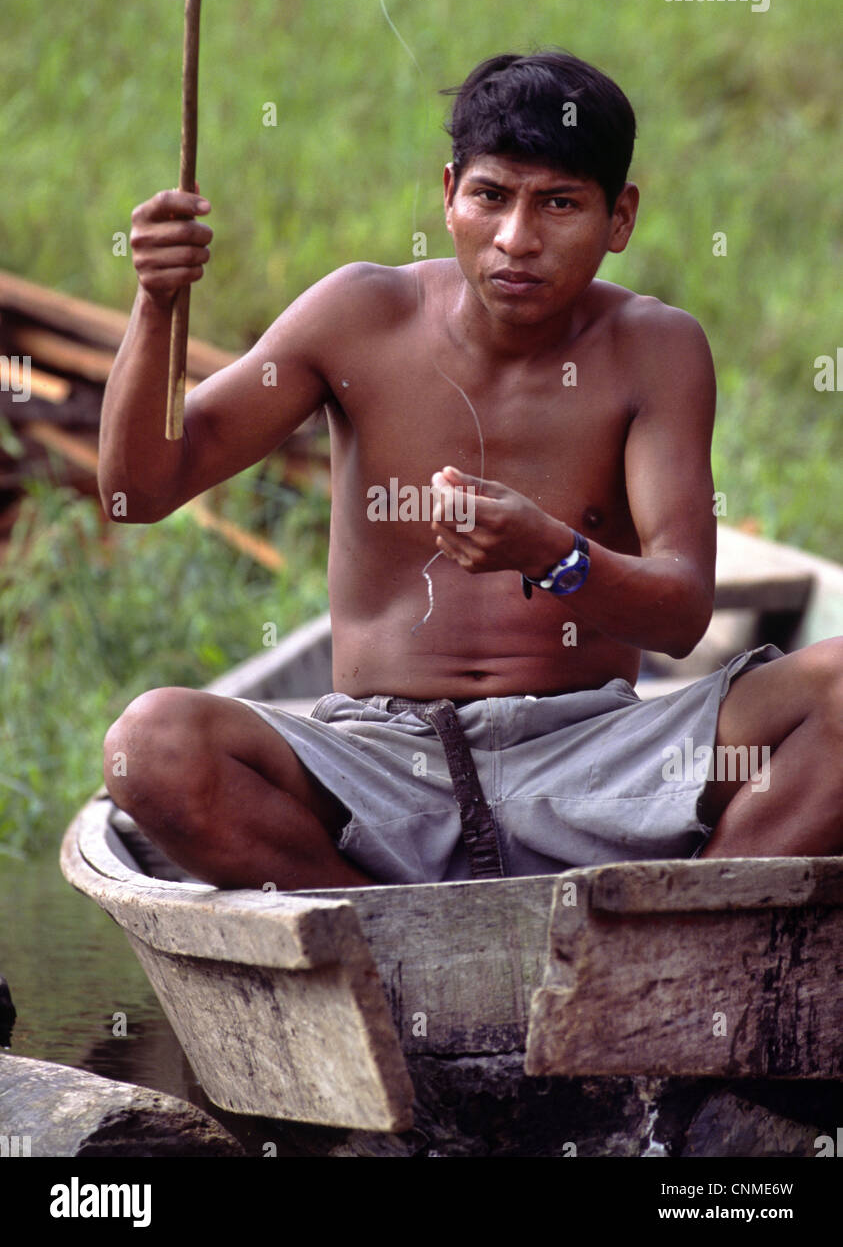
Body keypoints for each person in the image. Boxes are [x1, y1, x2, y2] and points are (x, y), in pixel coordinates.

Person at [99, 50, 843, 890]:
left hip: (594, 756)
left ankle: (677, 942)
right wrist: (156, 303)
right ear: (449, 193)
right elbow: (138, 491)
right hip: (379, 763)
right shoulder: (358, 316)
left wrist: (551, 555)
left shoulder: (655, 347)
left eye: (558, 204)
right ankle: (377, 937)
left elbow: (677, 614)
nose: (516, 240)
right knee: (148, 744)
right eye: (491, 196)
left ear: (620, 219)